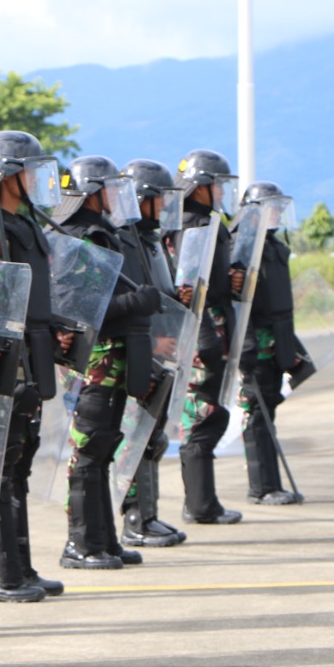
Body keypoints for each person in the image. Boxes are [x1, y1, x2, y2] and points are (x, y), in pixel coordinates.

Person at [0, 130, 70, 600]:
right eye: (31, 170)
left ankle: (20, 566)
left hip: (32, 356)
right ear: (11, 176)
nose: (38, 179)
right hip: (6, 360)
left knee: (20, 465)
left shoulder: (25, 223)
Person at [53, 155, 161, 568]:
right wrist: (138, 301)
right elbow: (79, 306)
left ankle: (104, 541)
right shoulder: (80, 236)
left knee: (104, 448)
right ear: (93, 192)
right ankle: (80, 544)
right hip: (93, 360)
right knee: (87, 451)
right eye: (110, 188)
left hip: (114, 358)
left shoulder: (104, 233)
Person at [168, 149, 243, 524]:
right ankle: (200, 504)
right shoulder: (192, 226)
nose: (222, 192)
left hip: (213, 329)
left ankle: (203, 501)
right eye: (217, 185)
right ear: (202, 187)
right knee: (201, 417)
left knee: (208, 415)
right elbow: (189, 291)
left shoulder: (206, 222)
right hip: (202, 335)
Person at [119, 159, 189, 547]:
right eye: (159, 199)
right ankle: (134, 517)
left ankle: (149, 513)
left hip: (162, 355)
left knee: (154, 438)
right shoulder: (125, 240)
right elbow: (126, 307)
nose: (164, 207)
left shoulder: (149, 241)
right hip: (140, 354)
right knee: (135, 439)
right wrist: (151, 344)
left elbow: (157, 297)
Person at [233, 182, 303, 506]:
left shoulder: (273, 245)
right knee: (257, 415)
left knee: (268, 412)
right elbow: (236, 301)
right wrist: (243, 347)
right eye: (270, 206)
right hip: (255, 345)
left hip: (277, 342)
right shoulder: (243, 246)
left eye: (278, 206)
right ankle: (261, 487)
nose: (276, 212)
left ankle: (272, 485)